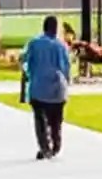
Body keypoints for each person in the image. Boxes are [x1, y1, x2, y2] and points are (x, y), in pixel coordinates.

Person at [22, 15, 71, 161]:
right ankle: (56, 144)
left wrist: (29, 76)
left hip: (38, 87)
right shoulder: (61, 46)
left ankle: (45, 147)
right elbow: (65, 67)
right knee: (56, 120)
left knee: (40, 120)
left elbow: (26, 63)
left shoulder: (34, 44)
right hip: (57, 89)